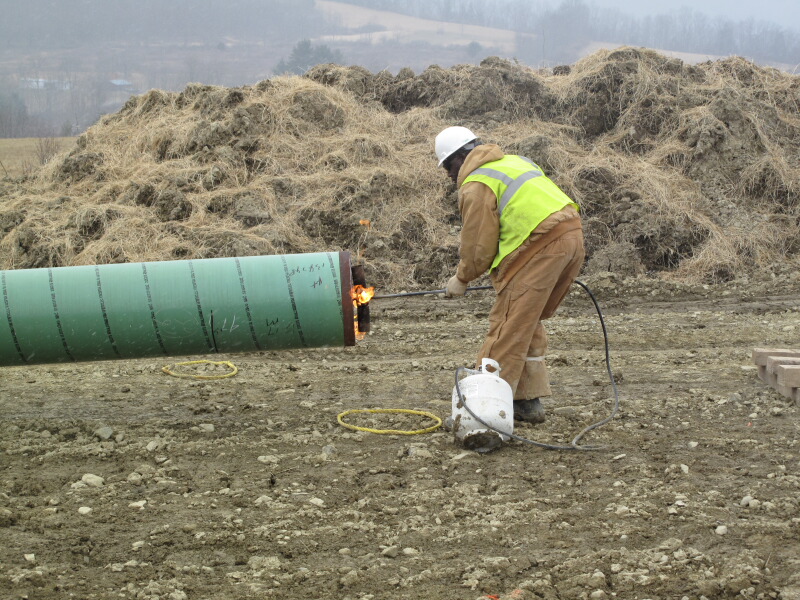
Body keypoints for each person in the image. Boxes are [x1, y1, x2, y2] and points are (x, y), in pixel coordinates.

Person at [436, 126, 584, 425]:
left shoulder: (477, 183)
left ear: (461, 156)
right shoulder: (517, 162)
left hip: (540, 246)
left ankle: (482, 413)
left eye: (448, 167)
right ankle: (526, 402)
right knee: (525, 323)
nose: (450, 176)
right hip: (572, 237)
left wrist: (462, 278)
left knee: (506, 326)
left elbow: (478, 244)